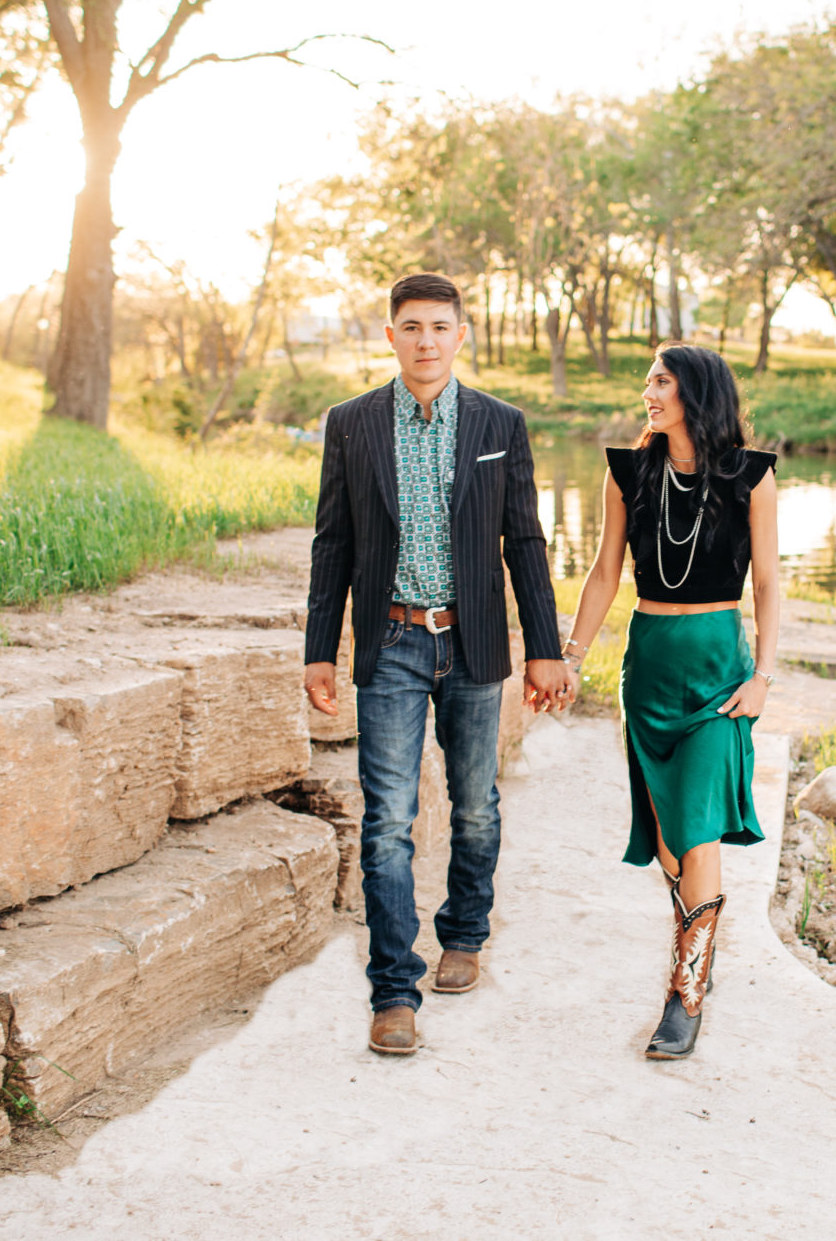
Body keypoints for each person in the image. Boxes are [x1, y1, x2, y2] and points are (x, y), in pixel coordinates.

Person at [304, 272, 577, 1057]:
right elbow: (334, 543)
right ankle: (393, 989)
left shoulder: (500, 422)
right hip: (389, 641)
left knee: (474, 803)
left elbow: (524, 540)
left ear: (463, 336)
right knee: (387, 819)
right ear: (389, 337)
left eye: (439, 327)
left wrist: (546, 648)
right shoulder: (352, 424)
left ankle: (464, 933)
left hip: (474, 642)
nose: (425, 340)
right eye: (411, 326)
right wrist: (321, 648)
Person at [562, 342, 780, 1059]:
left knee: (696, 829)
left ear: (695, 392)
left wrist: (764, 675)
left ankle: (684, 995)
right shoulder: (628, 472)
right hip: (649, 673)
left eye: (660, 381)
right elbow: (602, 573)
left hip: (719, 674)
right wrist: (570, 657)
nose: (647, 391)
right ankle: (700, 945)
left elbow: (770, 583)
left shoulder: (752, 476)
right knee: (667, 839)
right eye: (650, 380)